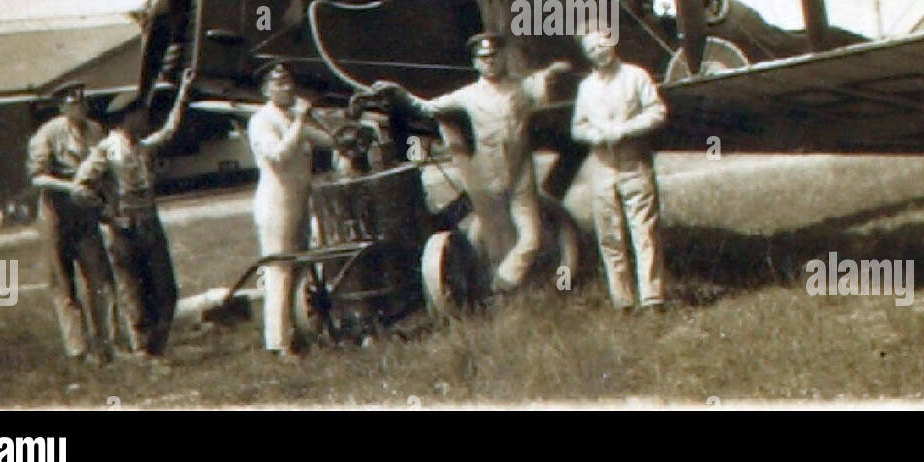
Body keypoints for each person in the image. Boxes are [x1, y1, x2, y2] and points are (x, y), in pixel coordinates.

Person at [374, 33, 569, 294]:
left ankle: (504, 282)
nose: (490, 62)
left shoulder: (521, 88)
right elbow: (428, 108)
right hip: (489, 179)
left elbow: (543, 85)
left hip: (521, 177)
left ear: (502, 58)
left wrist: (554, 71)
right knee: (494, 239)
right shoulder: (468, 96)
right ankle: (500, 292)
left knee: (530, 239)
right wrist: (399, 93)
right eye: (484, 58)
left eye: (494, 57)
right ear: (476, 63)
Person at [74, 69, 195, 360]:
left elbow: (168, 131)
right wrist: (107, 213)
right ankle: (143, 350)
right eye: (140, 114)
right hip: (124, 229)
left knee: (165, 290)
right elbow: (80, 187)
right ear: (128, 117)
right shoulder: (107, 149)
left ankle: (156, 347)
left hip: (149, 224)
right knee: (134, 291)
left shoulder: (139, 146)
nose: (145, 119)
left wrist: (183, 94)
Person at [570, 28, 669, 310]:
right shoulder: (586, 87)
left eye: (602, 45)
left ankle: (652, 299)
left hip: (633, 163)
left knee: (644, 231)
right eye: (591, 50)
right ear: (587, 56)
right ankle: (623, 300)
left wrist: (626, 130)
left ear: (612, 43)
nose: (599, 52)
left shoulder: (636, 76)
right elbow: (578, 127)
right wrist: (595, 136)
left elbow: (657, 112)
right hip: (601, 167)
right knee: (610, 235)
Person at [247, 61, 333, 359]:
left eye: (288, 82)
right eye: (278, 83)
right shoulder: (262, 121)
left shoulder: (291, 117)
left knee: (301, 267)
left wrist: (322, 120)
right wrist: (300, 121)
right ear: (265, 89)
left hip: (299, 200)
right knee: (279, 270)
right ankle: (278, 343)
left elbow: (331, 141)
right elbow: (280, 155)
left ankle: (298, 330)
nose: (286, 88)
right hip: (276, 204)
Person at [26, 82, 117, 363]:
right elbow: (37, 176)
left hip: (85, 216)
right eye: (72, 102)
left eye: (82, 100)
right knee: (63, 285)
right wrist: (69, 187)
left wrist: (107, 202)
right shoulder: (48, 134)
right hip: (56, 215)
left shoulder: (95, 131)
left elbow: (105, 169)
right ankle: (77, 348)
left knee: (100, 280)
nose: (79, 106)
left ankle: (107, 345)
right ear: (62, 107)